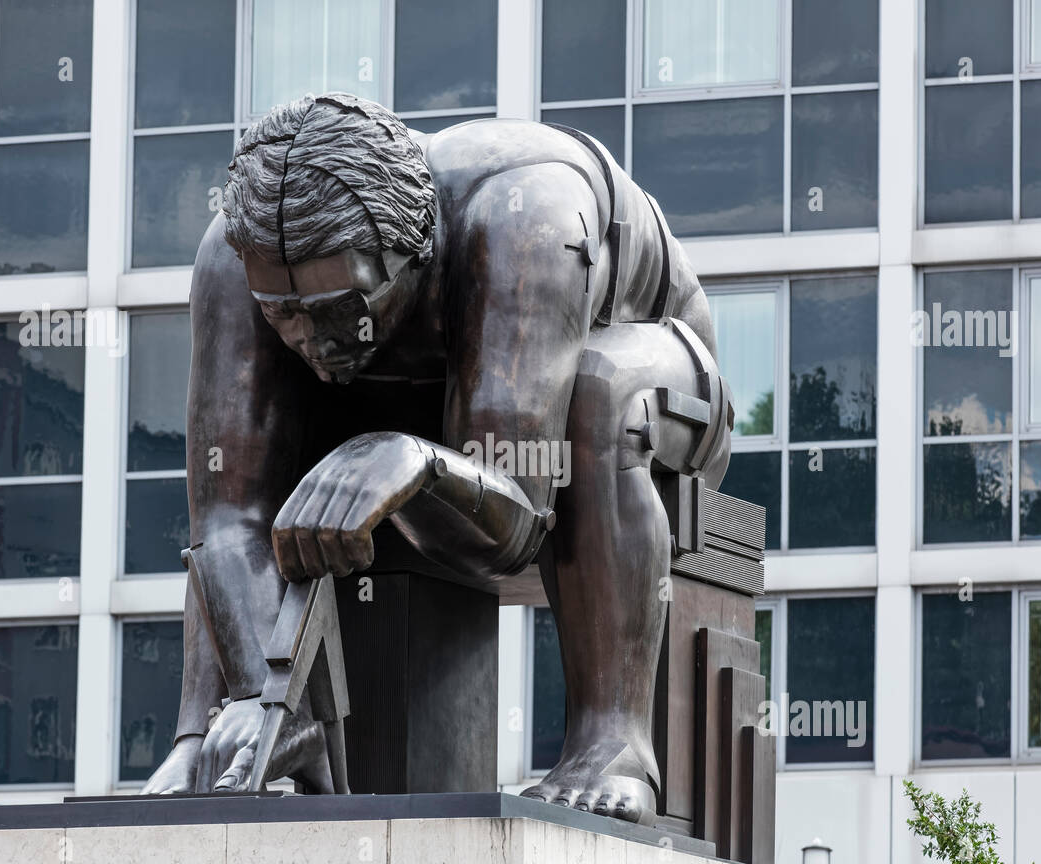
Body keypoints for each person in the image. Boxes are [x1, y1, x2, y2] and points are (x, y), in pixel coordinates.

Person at [142, 92, 731, 825]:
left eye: (340, 308)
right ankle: (204, 735)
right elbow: (230, 517)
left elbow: (515, 527)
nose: (310, 338)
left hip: (652, 381)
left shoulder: (526, 216)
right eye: (284, 314)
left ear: (415, 251)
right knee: (243, 468)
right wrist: (273, 694)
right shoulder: (242, 255)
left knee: (597, 394)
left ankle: (613, 743)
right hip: (438, 405)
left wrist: (410, 461)